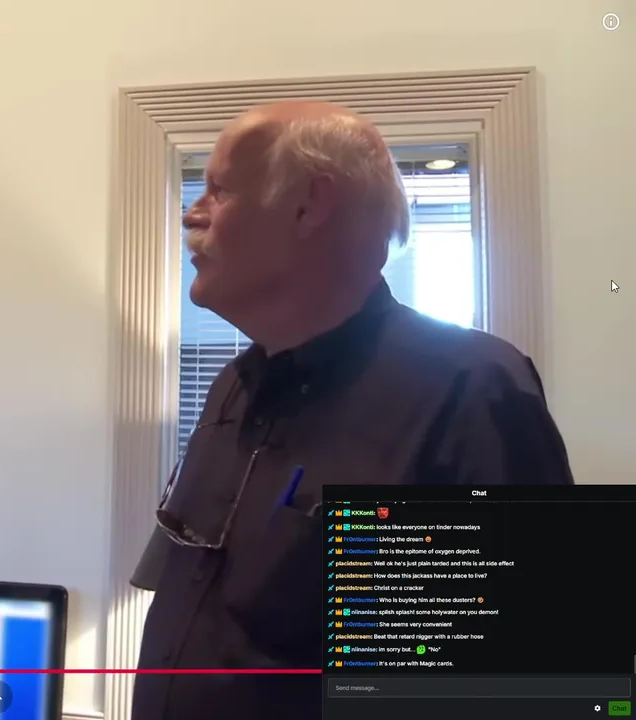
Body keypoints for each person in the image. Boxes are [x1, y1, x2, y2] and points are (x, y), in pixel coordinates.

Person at [128, 101, 574, 720]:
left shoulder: (469, 392)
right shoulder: (233, 385)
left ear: (310, 205)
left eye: (220, 191)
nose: (191, 214)